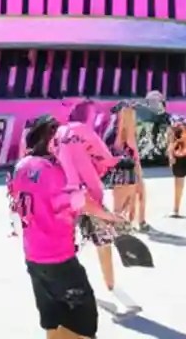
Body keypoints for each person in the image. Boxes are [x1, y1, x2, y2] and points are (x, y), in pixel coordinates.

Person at [11, 114, 126, 339]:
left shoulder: (21, 167)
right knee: (83, 327)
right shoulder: (54, 172)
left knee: (54, 324)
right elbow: (80, 201)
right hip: (60, 261)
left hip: (34, 259)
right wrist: (110, 217)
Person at [53, 101, 138, 314]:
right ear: (87, 116)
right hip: (88, 194)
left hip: (66, 194)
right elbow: (107, 159)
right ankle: (110, 286)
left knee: (69, 242)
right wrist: (123, 160)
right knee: (104, 241)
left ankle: (64, 286)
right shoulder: (84, 130)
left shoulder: (58, 133)